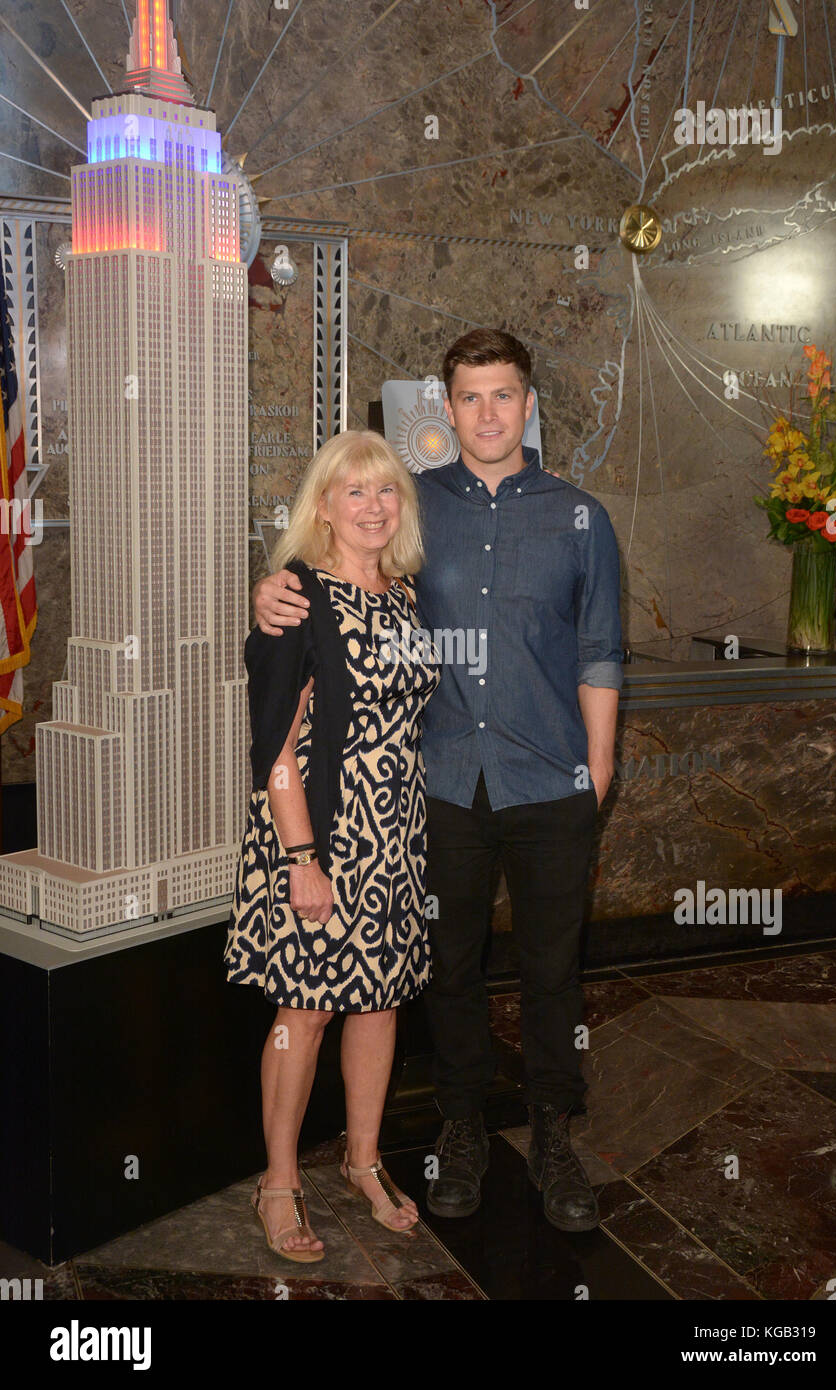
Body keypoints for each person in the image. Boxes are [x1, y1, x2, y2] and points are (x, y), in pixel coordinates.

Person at [251, 329, 623, 1233]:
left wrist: (599, 774)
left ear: (530, 406)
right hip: (439, 792)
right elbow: (321, 579)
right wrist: (268, 592)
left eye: (505, 396)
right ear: (445, 408)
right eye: (470, 397)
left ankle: (550, 1133)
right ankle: (458, 1128)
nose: (488, 413)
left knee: (550, 974)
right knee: (445, 972)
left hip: (547, 784)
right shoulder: (415, 509)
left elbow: (602, 653)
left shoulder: (581, 517)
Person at [225, 429, 440, 1261]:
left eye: (387, 491)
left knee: (380, 1001)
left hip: (396, 837)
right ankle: (278, 1182)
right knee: (304, 1013)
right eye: (355, 492)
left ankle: (361, 1162)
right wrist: (300, 859)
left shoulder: (407, 598)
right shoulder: (296, 598)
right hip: (318, 836)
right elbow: (274, 743)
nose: (374, 506)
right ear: (323, 507)